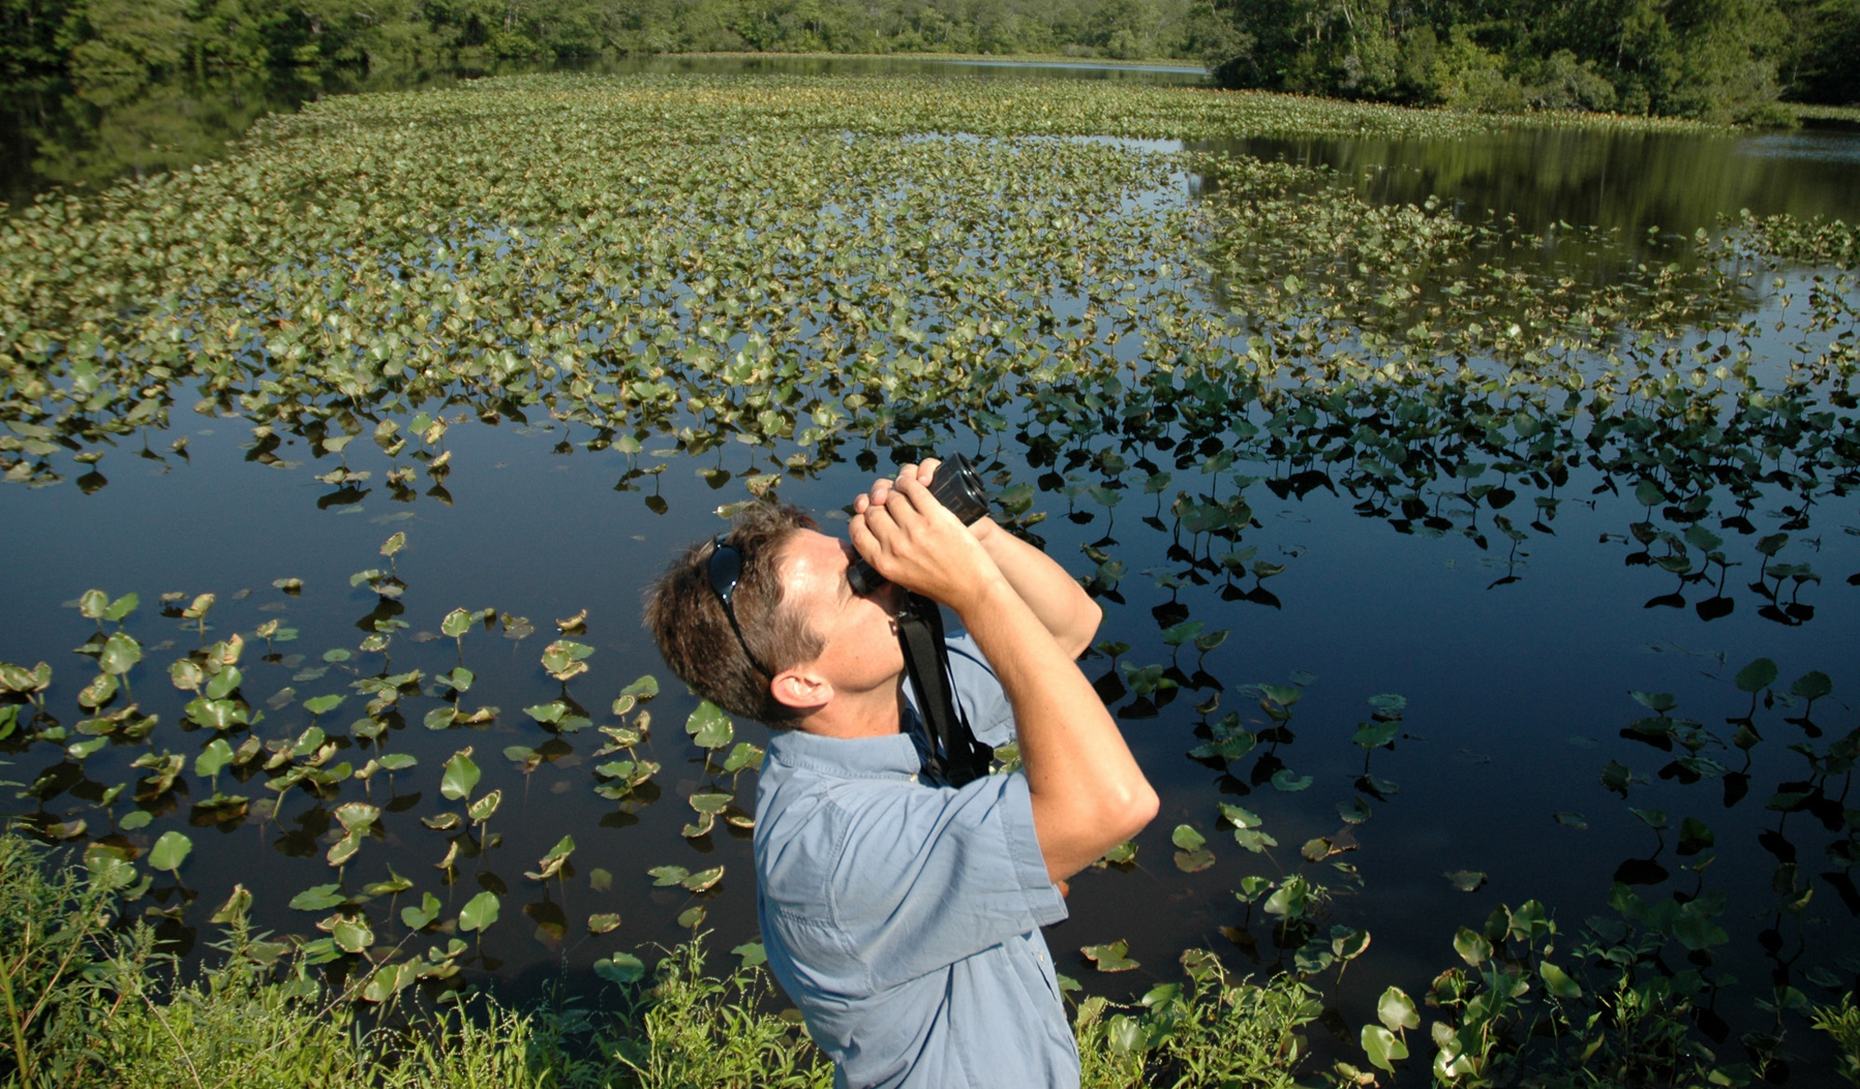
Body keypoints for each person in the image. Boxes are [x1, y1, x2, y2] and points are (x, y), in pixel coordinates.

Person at [643, 460, 1158, 1089]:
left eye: (855, 554)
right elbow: (1112, 803)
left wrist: (973, 536)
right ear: (803, 682)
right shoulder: (833, 850)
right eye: (859, 581)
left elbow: (1068, 627)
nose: (885, 575)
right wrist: (973, 589)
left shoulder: (897, 701)